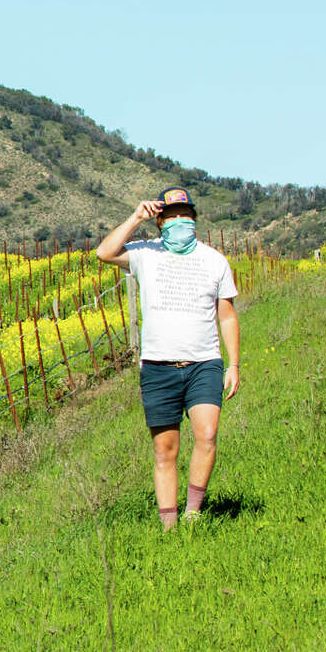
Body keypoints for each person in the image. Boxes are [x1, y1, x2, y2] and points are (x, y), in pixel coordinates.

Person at [95, 187, 240, 529]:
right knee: (166, 450)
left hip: (204, 363)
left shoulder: (214, 260)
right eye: (172, 216)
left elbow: (228, 316)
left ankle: (193, 514)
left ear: (194, 219)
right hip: (158, 367)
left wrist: (233, 364)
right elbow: (104, 252)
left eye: (185, 215)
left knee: (207, 436)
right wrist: (136, 217)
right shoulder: (146, 254)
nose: (179, 221)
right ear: (160, 221)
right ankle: (169, 526)